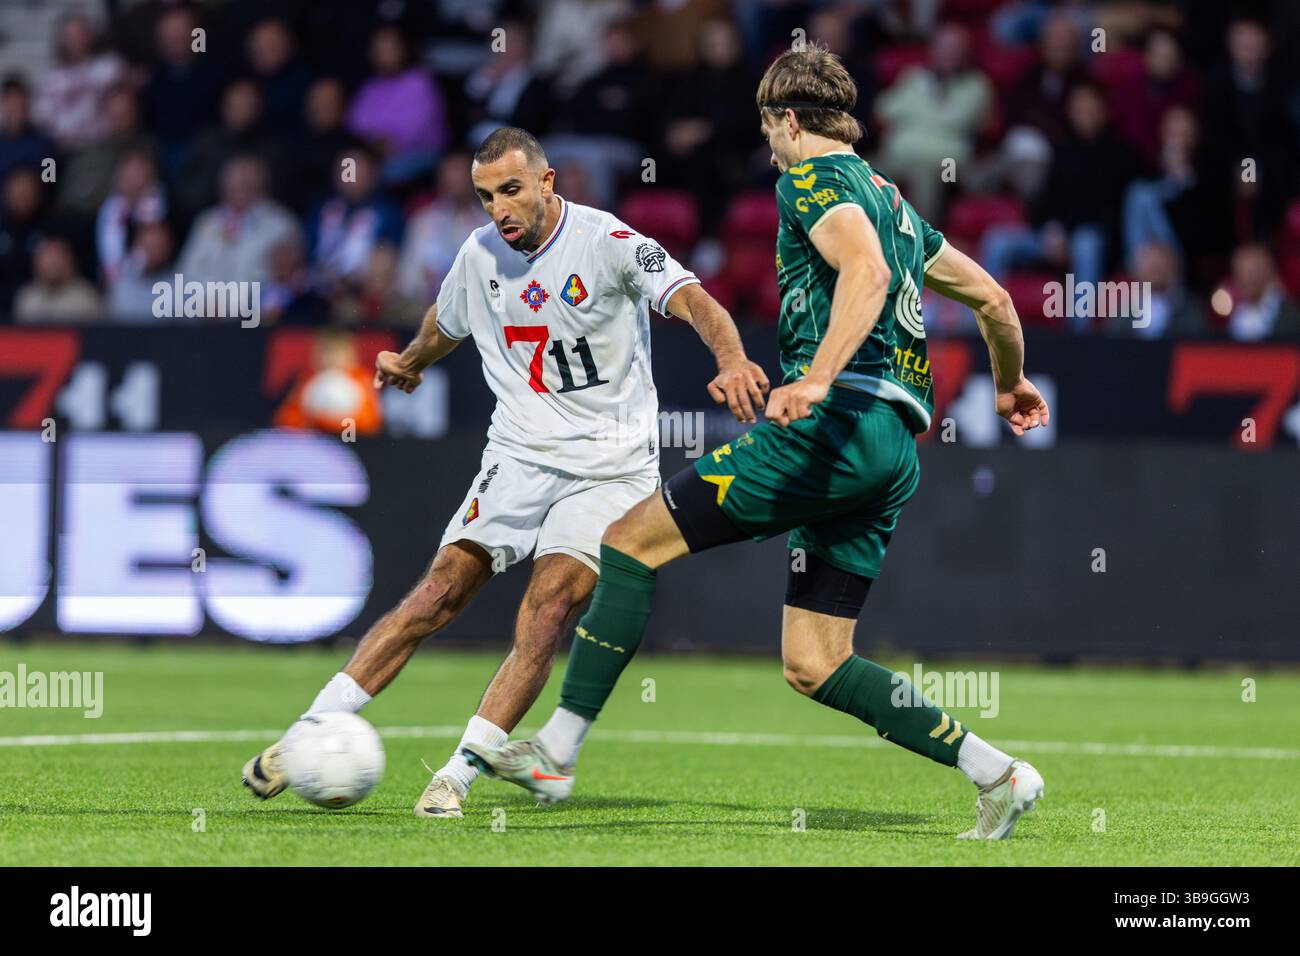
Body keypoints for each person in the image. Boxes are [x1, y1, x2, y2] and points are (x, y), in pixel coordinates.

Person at [466, 47, 1051, 841]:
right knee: (815, 661)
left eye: (768, 128)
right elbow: (992, 298)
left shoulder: (809, 181)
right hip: (892, 453)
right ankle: (998, 773)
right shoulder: (900, 207)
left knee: (628, 542)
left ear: (784, 119)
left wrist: (815, 380)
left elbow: (868, 274)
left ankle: (557, 752)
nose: (769, 145)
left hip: (832, 429)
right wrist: (1011, 383)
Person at [241, 127, 767, 818]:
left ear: (548, 184)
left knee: (547, 609)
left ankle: (456, 776)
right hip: (518, 456)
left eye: (512, 191)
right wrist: (411, 360)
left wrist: (730, 361)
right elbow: (446, 319)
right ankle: (305, 736)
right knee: (435, 596)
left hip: (610, 468)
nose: (499, 209)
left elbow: (697, 300)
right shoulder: (480, 252)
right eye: (486, 196)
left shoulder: (608, 243)